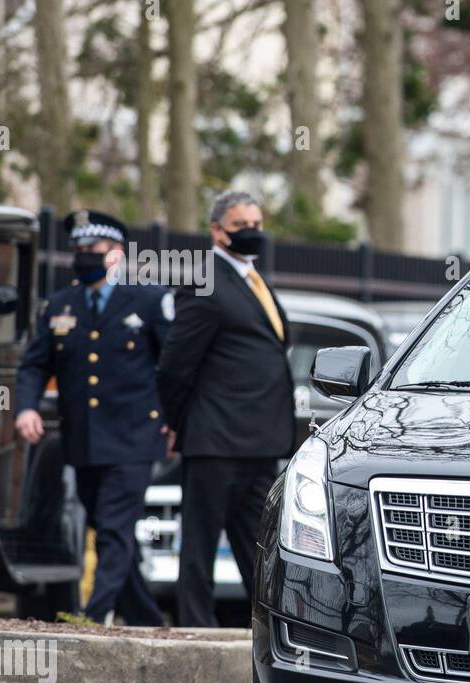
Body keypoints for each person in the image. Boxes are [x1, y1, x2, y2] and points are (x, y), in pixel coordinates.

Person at [15, 208, 171, 626]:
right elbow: (34, 365)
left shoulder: (150, 300)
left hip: (136, 437)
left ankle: (94, 615)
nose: (82, 256)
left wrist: (175, 420)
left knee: (112, 529)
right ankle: (147, 620)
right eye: (78, 249)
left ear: (116, 254)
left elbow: (173, 367)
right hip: (84, 440)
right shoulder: (59, 306)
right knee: (110, 529)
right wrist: (26, 406)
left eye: (93, 249)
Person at [157, 190, 294, 628]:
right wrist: (177, 423)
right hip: (214, 439)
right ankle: (196, 629)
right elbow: (175, 366)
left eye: (257, 223)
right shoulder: (205, 279)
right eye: (242, 226)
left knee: (257, 546)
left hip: (259, 441)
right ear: (217, 231)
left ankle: (269, 633)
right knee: (198, 545)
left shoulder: (254, 278)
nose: (253, 233)